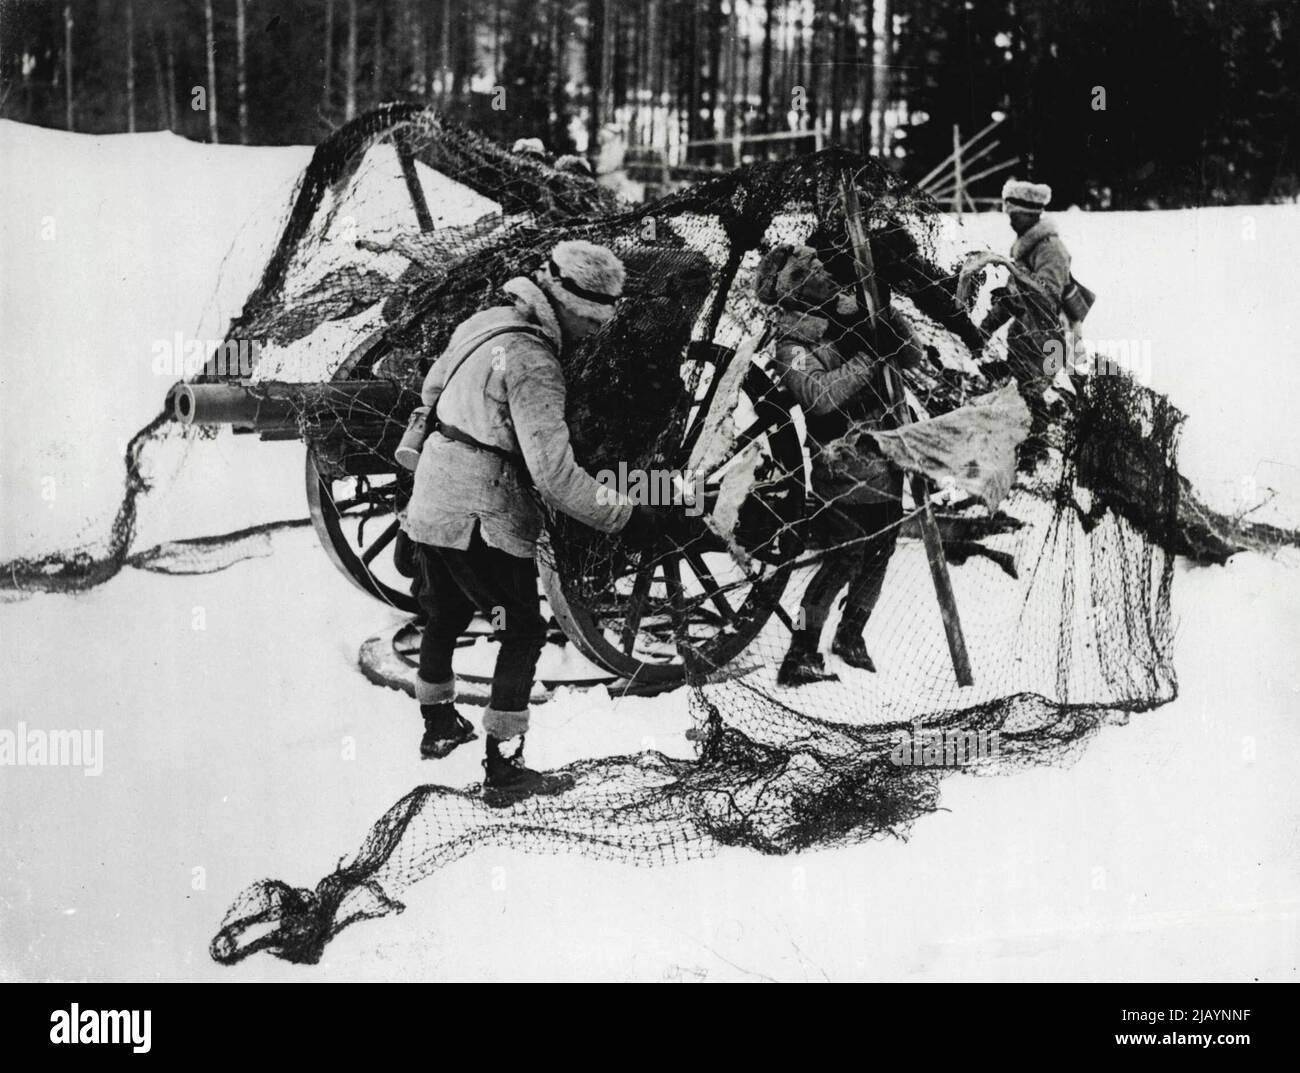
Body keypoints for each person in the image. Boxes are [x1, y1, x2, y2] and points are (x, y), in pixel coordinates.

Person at [401, 240, 661, 801]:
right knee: (521, 630)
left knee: (443, 609)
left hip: (433, 493)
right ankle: (505, 767)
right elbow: (554, 475)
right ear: (567, 305)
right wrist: (623, 516)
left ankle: (438, 727)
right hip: (482, 510)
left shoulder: (486, 320)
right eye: (590, 321)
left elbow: (432, 389)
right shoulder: (535, 361)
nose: (594, 333)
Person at [755, 243, 924, 685]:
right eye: (812, 270)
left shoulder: (852, 312)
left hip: (887, 453)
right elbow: (819, 396)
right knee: (843, 557)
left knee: (881, 550)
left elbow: (912, 355)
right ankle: (801, 651)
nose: (826, 274)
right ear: (796, 287)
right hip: (839, 461)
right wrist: (869, 354)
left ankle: (852, 635)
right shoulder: (791, 338)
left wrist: (886, 319)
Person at [979, 179, 1073, 461]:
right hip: (1025, 341)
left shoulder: (1051, 250)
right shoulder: (1025, 252)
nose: (1010, 222)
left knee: (1031, 396)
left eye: (1014, 215)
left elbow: (1048, 294)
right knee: (1022, 394)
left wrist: (1014, 295)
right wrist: (983, 330)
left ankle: (1036, 455)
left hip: (1051, 341)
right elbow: (1013, 296)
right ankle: (1029, 452)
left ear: (1032, 214)